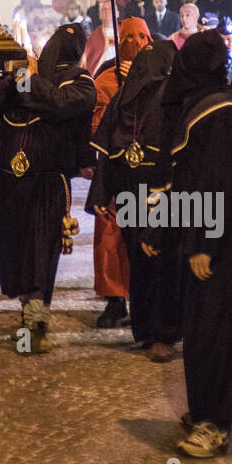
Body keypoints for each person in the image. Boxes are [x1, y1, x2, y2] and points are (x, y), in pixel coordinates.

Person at [144, 32, 232, 459]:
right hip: (201, 236)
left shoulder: (222, 112)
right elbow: (186, 181)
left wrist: (203, 244)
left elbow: (218, 182)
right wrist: (163, 230)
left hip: (219, 242)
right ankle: (204, 410)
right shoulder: (204, 105)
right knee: (201, 332)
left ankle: (217, 422)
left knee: (218, 334)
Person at [0, 24, 96, 353]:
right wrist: (12, 76)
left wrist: (28, 80)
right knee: (12, 250)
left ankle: (34, 326)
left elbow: (59, 103)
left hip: (46, 181)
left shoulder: (80, 83)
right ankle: (26, 312)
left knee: (39, 254)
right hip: (8, 181)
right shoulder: (27, 79)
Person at [91, 40, 182, 362]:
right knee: (145, 263)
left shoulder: (170, 98)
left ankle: (161, 332)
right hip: (140, 192)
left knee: (157, 262)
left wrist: (102, 193)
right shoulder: (126, 98)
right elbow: (107, 151)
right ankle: (149, 330)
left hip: (159, 193)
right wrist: (102, 191)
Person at [88, 18, 152, 328]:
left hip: (149, 175)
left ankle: (147, 303)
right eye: (128, 37)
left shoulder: (161, 74)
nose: (135, 43)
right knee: (110, 238)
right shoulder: (105, 80)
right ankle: (115, 300)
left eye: (141, 36)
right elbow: (97, 128)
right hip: (114, 170)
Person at [82, 0, 116, 76]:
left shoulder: (124, 32)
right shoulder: (94, 36)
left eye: (110, 8)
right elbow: (87, 59)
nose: (107, 11)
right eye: (104, 9)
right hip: (101, 74)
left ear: (117, 13)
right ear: (99, 15)